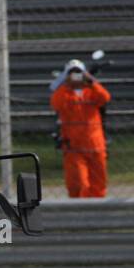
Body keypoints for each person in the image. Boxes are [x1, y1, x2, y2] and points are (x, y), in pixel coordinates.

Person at [49, 59, 111, 198]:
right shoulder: (64, 93)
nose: (76, 76)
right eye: (72, 73)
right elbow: (56, 104)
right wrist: (66, 85)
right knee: (78, 184)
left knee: (99, 184)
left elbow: (105, 98)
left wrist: (91, 82)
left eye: (79, 73)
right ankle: (78, 211)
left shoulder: (91, 91)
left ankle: (97, 210)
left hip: (96, 145)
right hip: (74, 148)